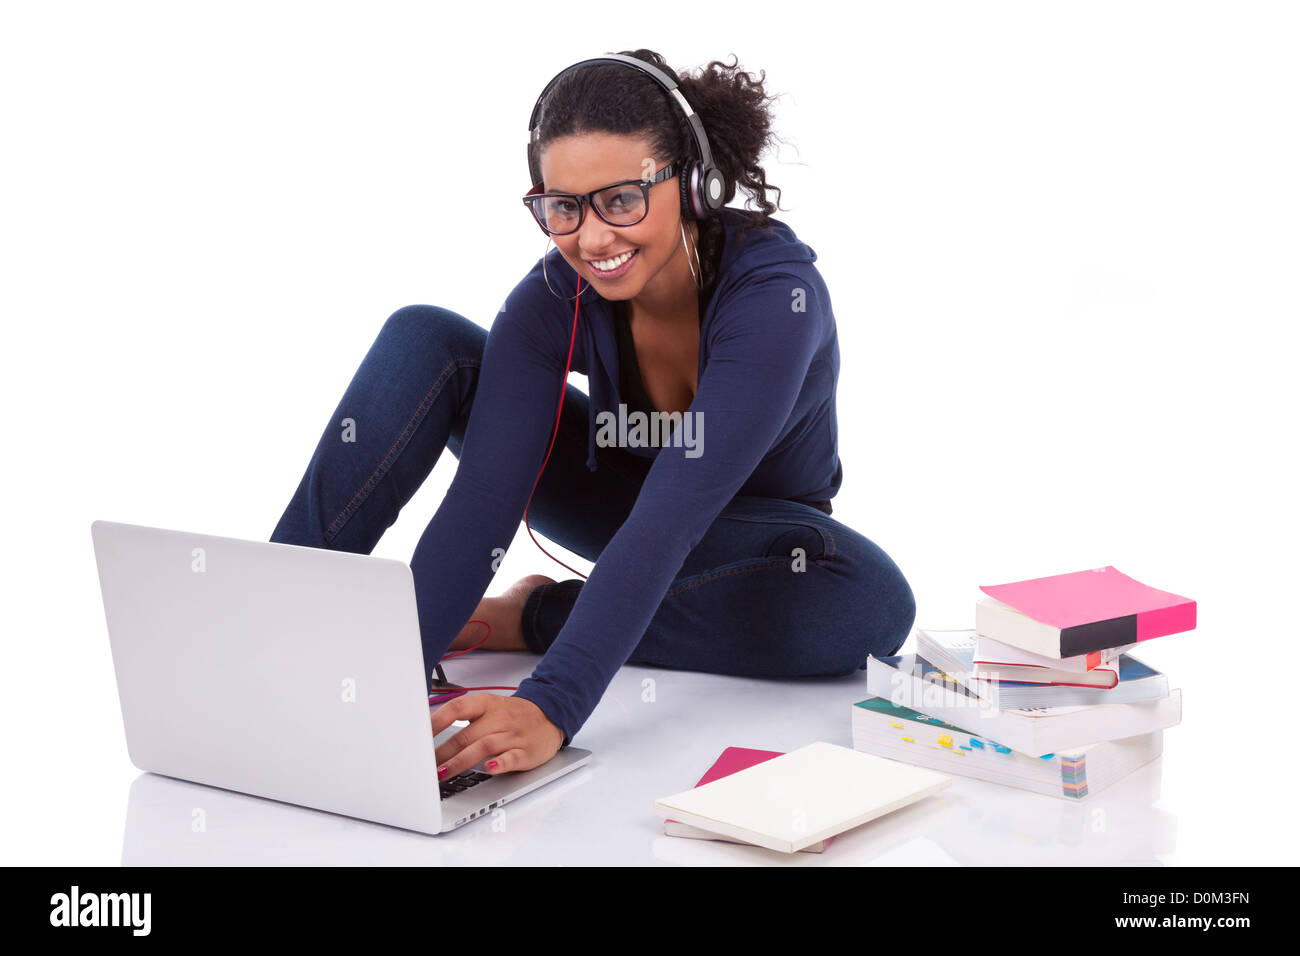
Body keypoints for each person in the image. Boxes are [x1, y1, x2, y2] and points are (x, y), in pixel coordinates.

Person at [270, 49, 916, 781]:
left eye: (622, 200)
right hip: (618, 500)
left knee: (868, 606)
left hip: (746, 546)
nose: (592, 239)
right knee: (425, 337)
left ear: (696, 184)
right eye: (563, 207)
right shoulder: (551, 297)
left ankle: (535, 617)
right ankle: (278, 622)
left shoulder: (776, 298)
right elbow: (485, 500)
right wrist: (386, 680)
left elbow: (670, 522)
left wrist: (550, 706)